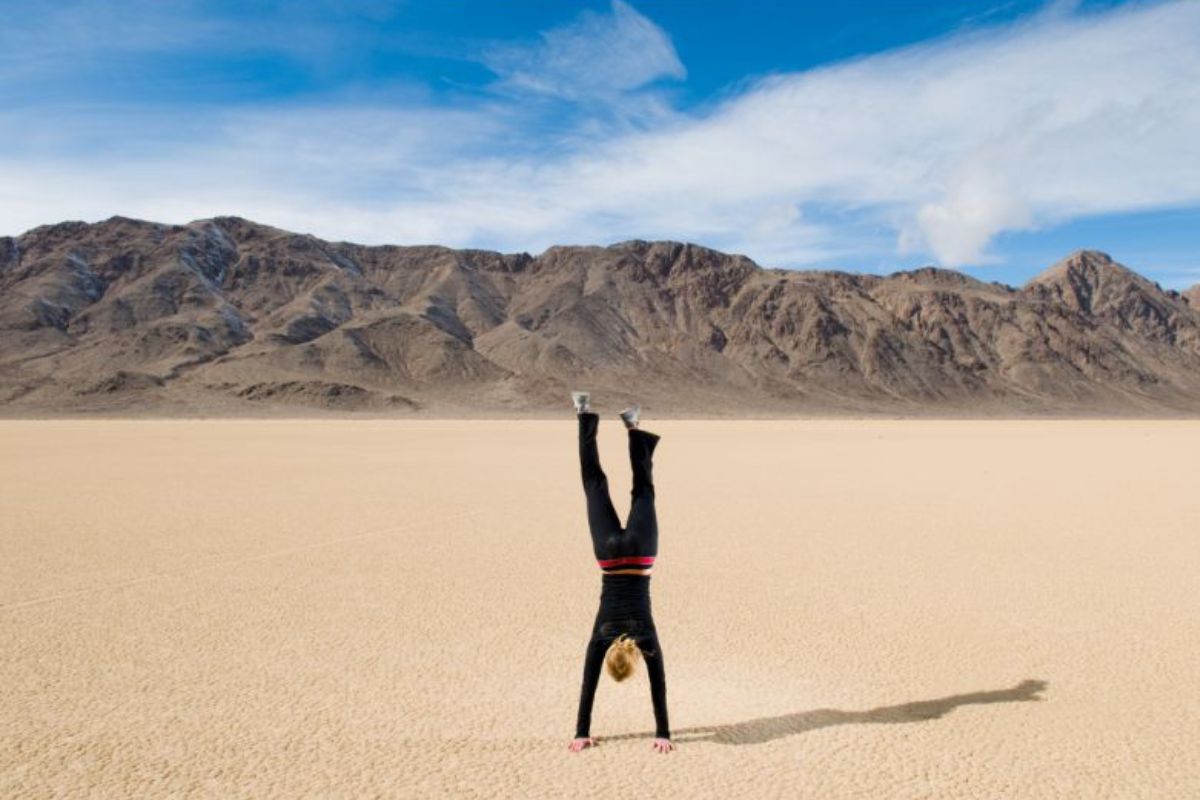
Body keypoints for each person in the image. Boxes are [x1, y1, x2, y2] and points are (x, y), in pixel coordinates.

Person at [569, 391, 673, 754]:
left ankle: (632, 424)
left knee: (643, 491)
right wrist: (580, 731)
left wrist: (664, 732)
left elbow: (659, 684)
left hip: (642, 555)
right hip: (609, 555)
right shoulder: (601, 635)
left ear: (632, 659)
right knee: (594, 485)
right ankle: (583, 412)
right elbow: (588, 683)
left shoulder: (645, 638)